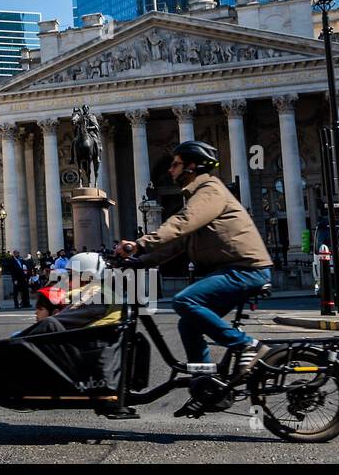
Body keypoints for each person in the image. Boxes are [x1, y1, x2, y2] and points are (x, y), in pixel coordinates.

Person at [116, 140, 272, 382]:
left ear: (191, 166)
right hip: (232, 269)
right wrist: (141, 261)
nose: (170, 170)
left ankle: (247, 345)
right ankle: (205, 382)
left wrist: (140, 243)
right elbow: (179, 243)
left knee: (185, 300)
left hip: (246, 269)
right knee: (188, 325)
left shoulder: (210, 190)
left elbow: (182, 223)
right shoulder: (199, 195)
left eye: (175, 164)